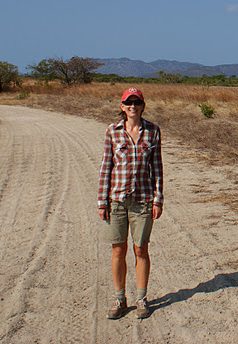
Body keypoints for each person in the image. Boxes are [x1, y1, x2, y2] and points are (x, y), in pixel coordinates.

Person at [97, 88, 164, 319]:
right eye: (128, 102)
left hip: (143, 201)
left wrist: (158, 199)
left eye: (137, 102)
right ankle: (119, 299)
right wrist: (102, 201)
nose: (133, 106)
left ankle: (141, 299)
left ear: (143, 105)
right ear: (122, 106)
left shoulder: (153, 131)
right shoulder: (112, 132)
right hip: (116, 201)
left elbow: (157, 168)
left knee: (141, 249)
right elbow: (106, 167)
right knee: (118, 250)